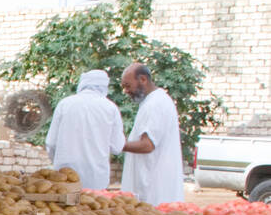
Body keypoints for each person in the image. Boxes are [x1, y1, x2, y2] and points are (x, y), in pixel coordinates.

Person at [45, 69, 125, 190]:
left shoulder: (65, 104)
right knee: (95, 207)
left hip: (65, 177)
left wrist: (57, 161)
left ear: (82, 84)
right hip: (96, 178)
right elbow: (117, 148)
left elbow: (51, 142)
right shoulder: (111, 108)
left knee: (63, 208)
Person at [119, 63, 185, 205]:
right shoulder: (155, 101)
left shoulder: (154, 104)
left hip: (153, 192)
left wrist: (117, 144)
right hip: (154, 188)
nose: (125, 91)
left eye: (128, 85)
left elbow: (147, 145)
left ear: (143, 79)